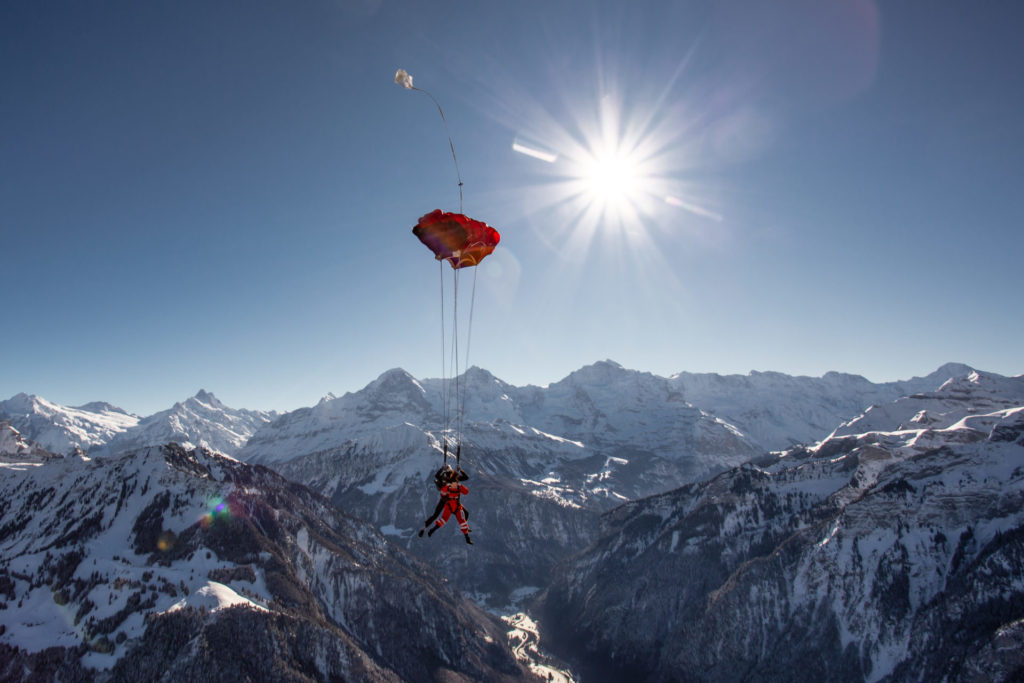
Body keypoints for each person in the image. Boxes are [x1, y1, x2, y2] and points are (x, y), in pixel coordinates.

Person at [419, 466, 473, 544]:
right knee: (437, 515)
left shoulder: (450, 478)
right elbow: (465, 478)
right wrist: (459, 470)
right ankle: (424, 528)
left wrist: (459, 470)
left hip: (450, 501)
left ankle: (425, 529)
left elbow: (465, 478)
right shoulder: (449, 478)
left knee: (437, 515)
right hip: (447, 500)